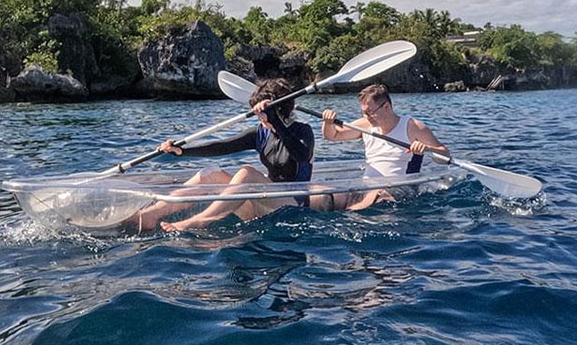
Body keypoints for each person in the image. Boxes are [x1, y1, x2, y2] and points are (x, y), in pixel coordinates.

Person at [130, 78, 314, 232]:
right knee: (209, 174)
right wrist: (182, 151)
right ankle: (150, 215)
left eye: (263, 114)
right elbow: (221, 147)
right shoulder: (260, 133)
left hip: (292, 206)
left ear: (277, 110)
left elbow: (302, 156)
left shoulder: (303, 131)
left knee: (247, 173)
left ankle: (200, 221)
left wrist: (275, 121)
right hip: (264, 204)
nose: (260, 118)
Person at [319, 83, 449, 211]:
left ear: (386, 107)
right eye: (363, 113)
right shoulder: (365, 125)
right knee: (324, 197)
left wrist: (426, 149)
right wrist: (328, 122)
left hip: (401, 187)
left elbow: (445, 156)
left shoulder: (413, 127)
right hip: (368, 187)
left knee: (380, 196)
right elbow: (332, 135)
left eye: (370, 112)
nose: (366, 117)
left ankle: (354, 213)